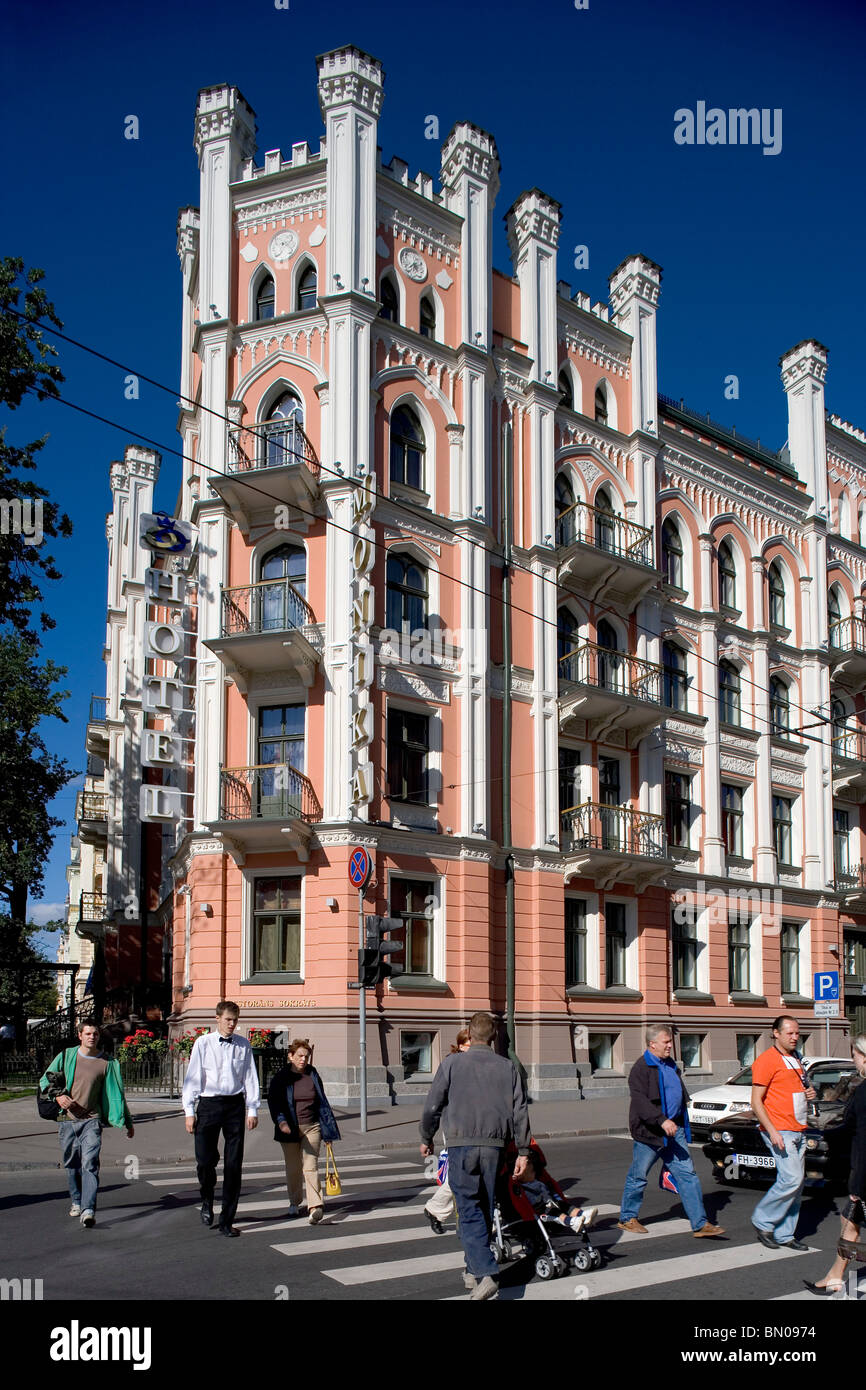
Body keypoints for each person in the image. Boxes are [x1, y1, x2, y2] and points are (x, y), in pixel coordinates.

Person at [420, 1011, 531, 1301]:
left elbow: (433, 1105)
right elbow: (520, 1111)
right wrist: (523, 1151)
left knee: (468, 1210)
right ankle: (472, 1271)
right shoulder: (508, 1067)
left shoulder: (452, 1064)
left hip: (461, 1144)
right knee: (483, 1206)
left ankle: (486, 1272)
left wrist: (426, 1137)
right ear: (494, 1035)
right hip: (494, 1147)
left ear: (469, 1034)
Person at [618, 1024, 725, 1239]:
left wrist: (680, 1121)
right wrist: (661, 1120)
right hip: (650, 1133)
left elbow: (676, 1093)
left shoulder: (669, 1065)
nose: (670, 1046)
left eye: (670, 1041)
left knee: (687, 1175)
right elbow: (640, 1102)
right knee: (638, 1176)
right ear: (652, 1044)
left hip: (674, 1130)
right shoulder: (641, 1068)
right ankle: (627, 1218)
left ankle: (700, 1224)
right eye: (666, 1042)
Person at [38, 1020, 134, 1228]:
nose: (92, 1037)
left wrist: (127, 1121)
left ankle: (88, 1208)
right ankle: (76, 1200)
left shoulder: (107, 1062)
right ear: (80, 1035)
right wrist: (59, 1098)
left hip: (92, 1120)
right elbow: (45, 1081)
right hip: (67, 1119)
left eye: (96, 1034)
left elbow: (117, 1095)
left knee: (90, 1164)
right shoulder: (66, 1056)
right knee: (72, 1164)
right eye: (88, 1033)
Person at [182, 1001, 260, 1237]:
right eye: (228, 1020)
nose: (231, 1024)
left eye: (235, 1020)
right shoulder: (203, 1043)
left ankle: (227, 1221)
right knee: (205, 1162)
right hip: (209, 1105)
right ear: (217, 1019)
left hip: (234, 1105)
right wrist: (189, 1111)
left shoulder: (243, 1044)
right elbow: (193, 1077)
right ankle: (207, 1199)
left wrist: (252, 1109)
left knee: (234, 1165)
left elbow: (249, 1076)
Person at [803, 1034, 866, 1295]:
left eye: (855, 1057)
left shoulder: (864, 1092)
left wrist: (822, 1134)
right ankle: (835, 1275)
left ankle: (835, 1275)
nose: (855, 1062)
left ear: (863, 1056)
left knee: (850, 1223)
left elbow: (855, 1132)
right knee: (849, 1223)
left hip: (864, 1174)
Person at [750, 1014, 817, 1250]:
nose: (794, 1037)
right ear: (775, 1033)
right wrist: (772, 1131)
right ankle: (762, 1220)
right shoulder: (767, 1060)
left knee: (796, 1185)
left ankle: (785, 1234)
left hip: (798, 1128)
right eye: (789, 1033)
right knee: (792, 1179)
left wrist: (810, 1094)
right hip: (780, 1130)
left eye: (797, 1033)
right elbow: (756, 1101)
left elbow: (799, 1089)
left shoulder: (795, 1058)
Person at [267, 1038, 341, 1225]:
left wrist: (327, 1132)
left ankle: (315, 1207)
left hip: (312, 1126)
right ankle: (294, 1202)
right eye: (299, 1056)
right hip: (289, 1129)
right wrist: (281, 1122)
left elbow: (321, 1102)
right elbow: (274, 1102)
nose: (303, 1060)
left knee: (310, 1167)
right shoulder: (281, 1077)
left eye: (306, 1056)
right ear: (290, 1056)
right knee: (293, 1169)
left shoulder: (312, 1074)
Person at [423, 1027, 470, 1235]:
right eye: (469, 1045)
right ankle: (435, 1209)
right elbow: (434, 1103)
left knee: (466, 1174)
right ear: (460, 1046)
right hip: (455, 1127)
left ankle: (438, 1210)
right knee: (462, 1174)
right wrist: (427, 1136)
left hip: (478, 1128)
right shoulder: (451, 1066)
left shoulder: (482, 1064)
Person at [513, 1150, 598, 1232]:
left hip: (549, 1203)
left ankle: (581, 1214)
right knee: (552, 1210)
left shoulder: (538, 1182)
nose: (534, 1174)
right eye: (532, 1172)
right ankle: (570, 1221)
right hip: (541, 1208)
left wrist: (556, 1199)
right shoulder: (523, 1187)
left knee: (562, 1204)